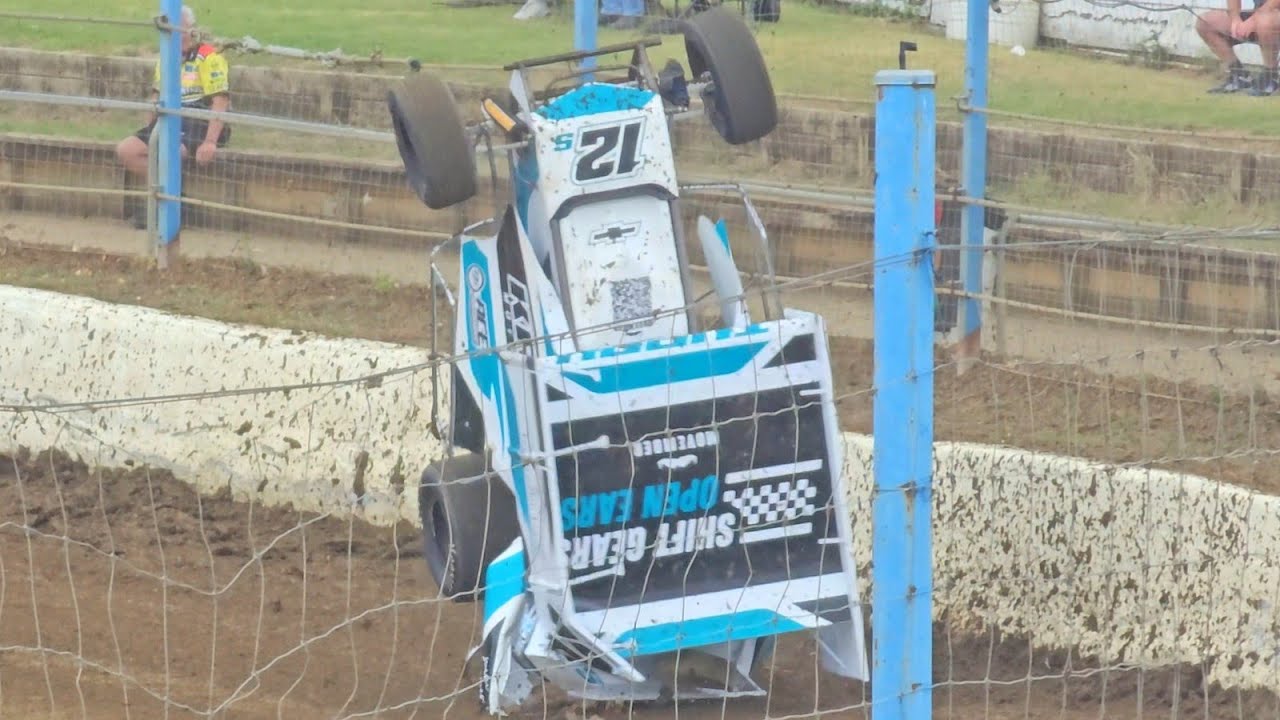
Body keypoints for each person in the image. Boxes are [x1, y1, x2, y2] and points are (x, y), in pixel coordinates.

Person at [115, 5, 231, 227]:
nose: (176, 35)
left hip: (198, 118)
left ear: (192, 29)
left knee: (171, 150)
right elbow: (156, 96)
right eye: (171, 30)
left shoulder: (210, 56)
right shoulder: (166, 56)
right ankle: (173, 200)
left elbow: (220, 101)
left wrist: (209, 142)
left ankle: (166, 207)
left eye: (181, 29)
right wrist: (150, 128)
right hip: (169, 117)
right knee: (127, 150)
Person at [1197, 0, 1280, 95]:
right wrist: (1235, 19)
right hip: (1260, 15)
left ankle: (1271, 76)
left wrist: (1254, 20)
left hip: (1270, 16)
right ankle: (1239, 74)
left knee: (1265, 21)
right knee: (1205, 23)